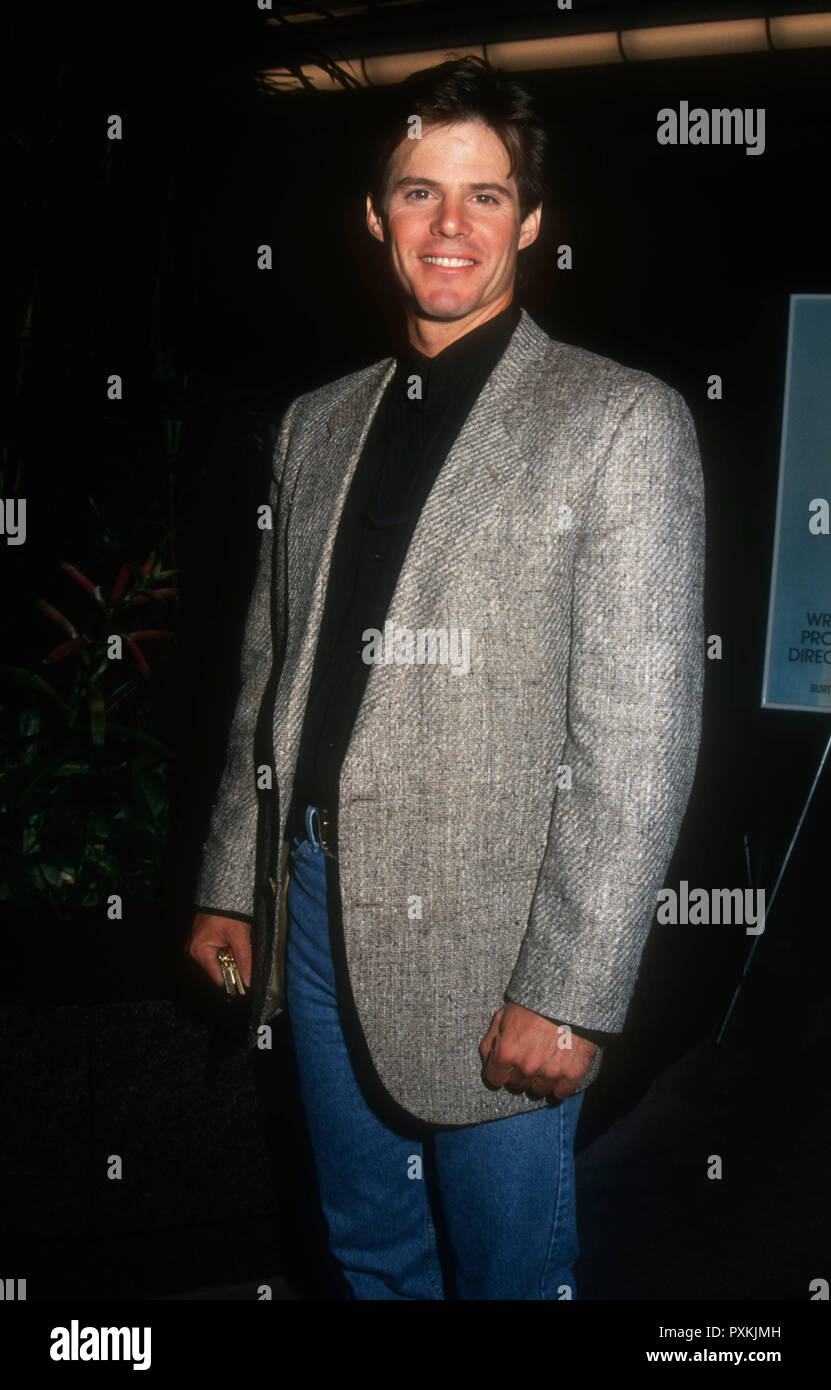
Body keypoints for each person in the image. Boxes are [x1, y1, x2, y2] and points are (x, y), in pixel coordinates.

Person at [187, 55, 705, 1300]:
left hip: (501, 927)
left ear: (531, 220)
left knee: (509, 1274)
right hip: (312, 899)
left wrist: (570, 991)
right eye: (421, 192)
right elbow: (273, 671)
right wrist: (231, 883)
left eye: (485, 197)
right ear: (376, 215)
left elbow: (641, 737)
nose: (452, 227)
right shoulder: (316, 422)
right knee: (369, 1250)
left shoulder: (619, 421)